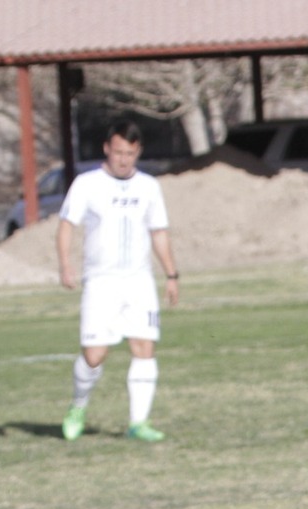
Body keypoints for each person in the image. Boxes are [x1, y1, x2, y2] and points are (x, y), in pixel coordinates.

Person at [56, 122, 179, 443]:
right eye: (119, 151)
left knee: (144, 346)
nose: (124, 159)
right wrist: (65, 265)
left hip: (138, 281)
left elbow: (159, 232)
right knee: (95, 355)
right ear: (106, 149)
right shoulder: (87, 184)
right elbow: (67, 225)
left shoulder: (149, 187)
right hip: (101, 282)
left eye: (130, 153)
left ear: (137, 152)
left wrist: (171, 274)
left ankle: (138, 422)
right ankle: (78, 406)